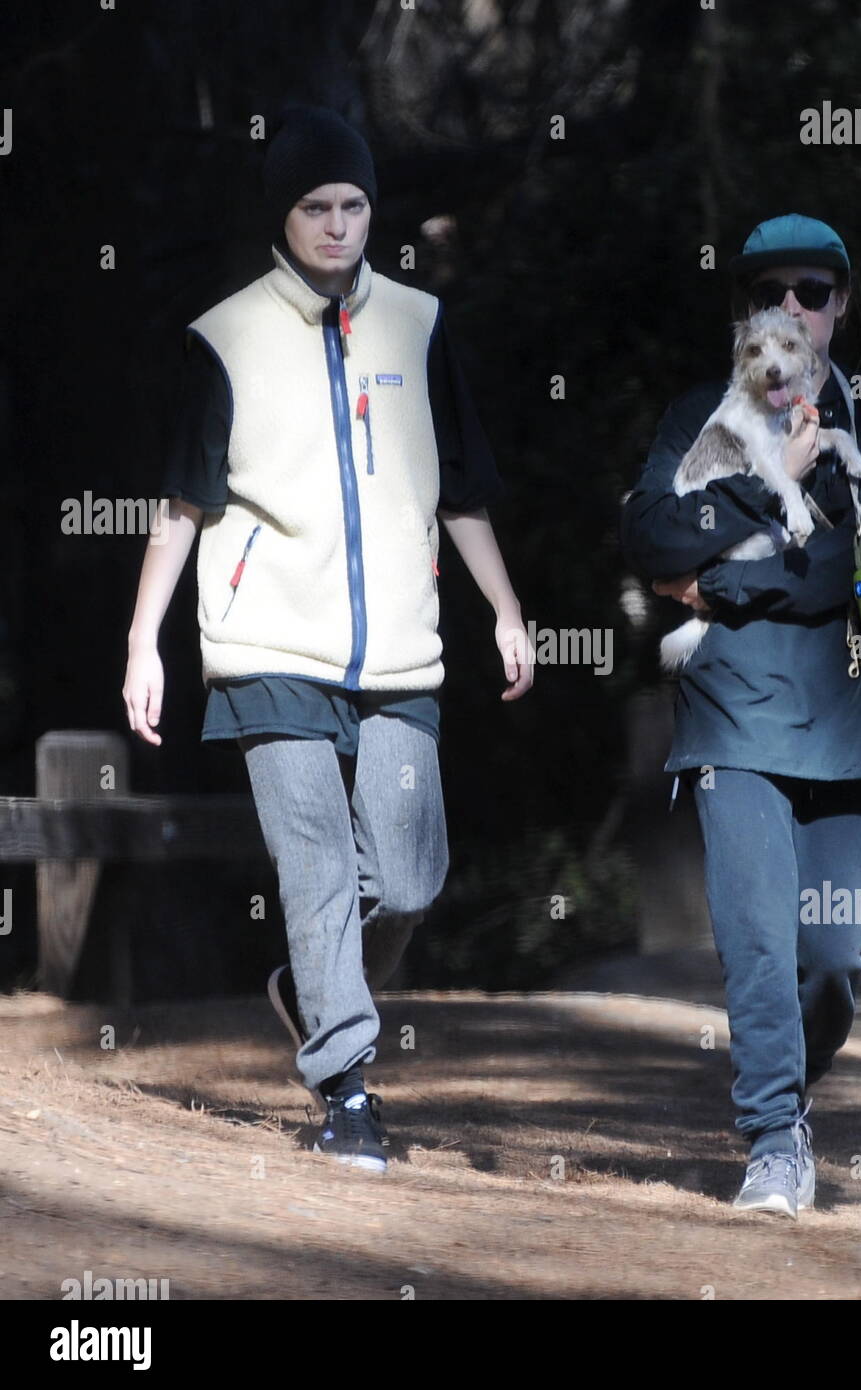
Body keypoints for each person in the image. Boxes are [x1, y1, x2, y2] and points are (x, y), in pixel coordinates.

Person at [123, 105, 532, 1174]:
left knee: (406, 881)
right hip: (265, 645)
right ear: (285, 216)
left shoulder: (420, 324)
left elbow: (464, 493)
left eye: (354, 205)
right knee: (312, 867)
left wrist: (505, 609)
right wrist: (143, 642)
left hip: (400, 650)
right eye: (317, 207)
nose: (339, 226)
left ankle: (308, 984)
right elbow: (182, 505)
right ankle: (347, 1089)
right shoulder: (226, 336)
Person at [620, 214, 861, 1217]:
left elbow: (858, 562)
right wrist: (769, 492)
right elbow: (650, 536)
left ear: (843, 306)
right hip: (730, 715)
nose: (794, 308)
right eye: (772, 292)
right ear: (746, 313)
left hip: (844, 716)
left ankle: (787, 1089)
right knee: (757, 934)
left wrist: (710, 588)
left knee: (833, 959)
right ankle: (771, 1140)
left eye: (815, 290)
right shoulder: (692, 417)